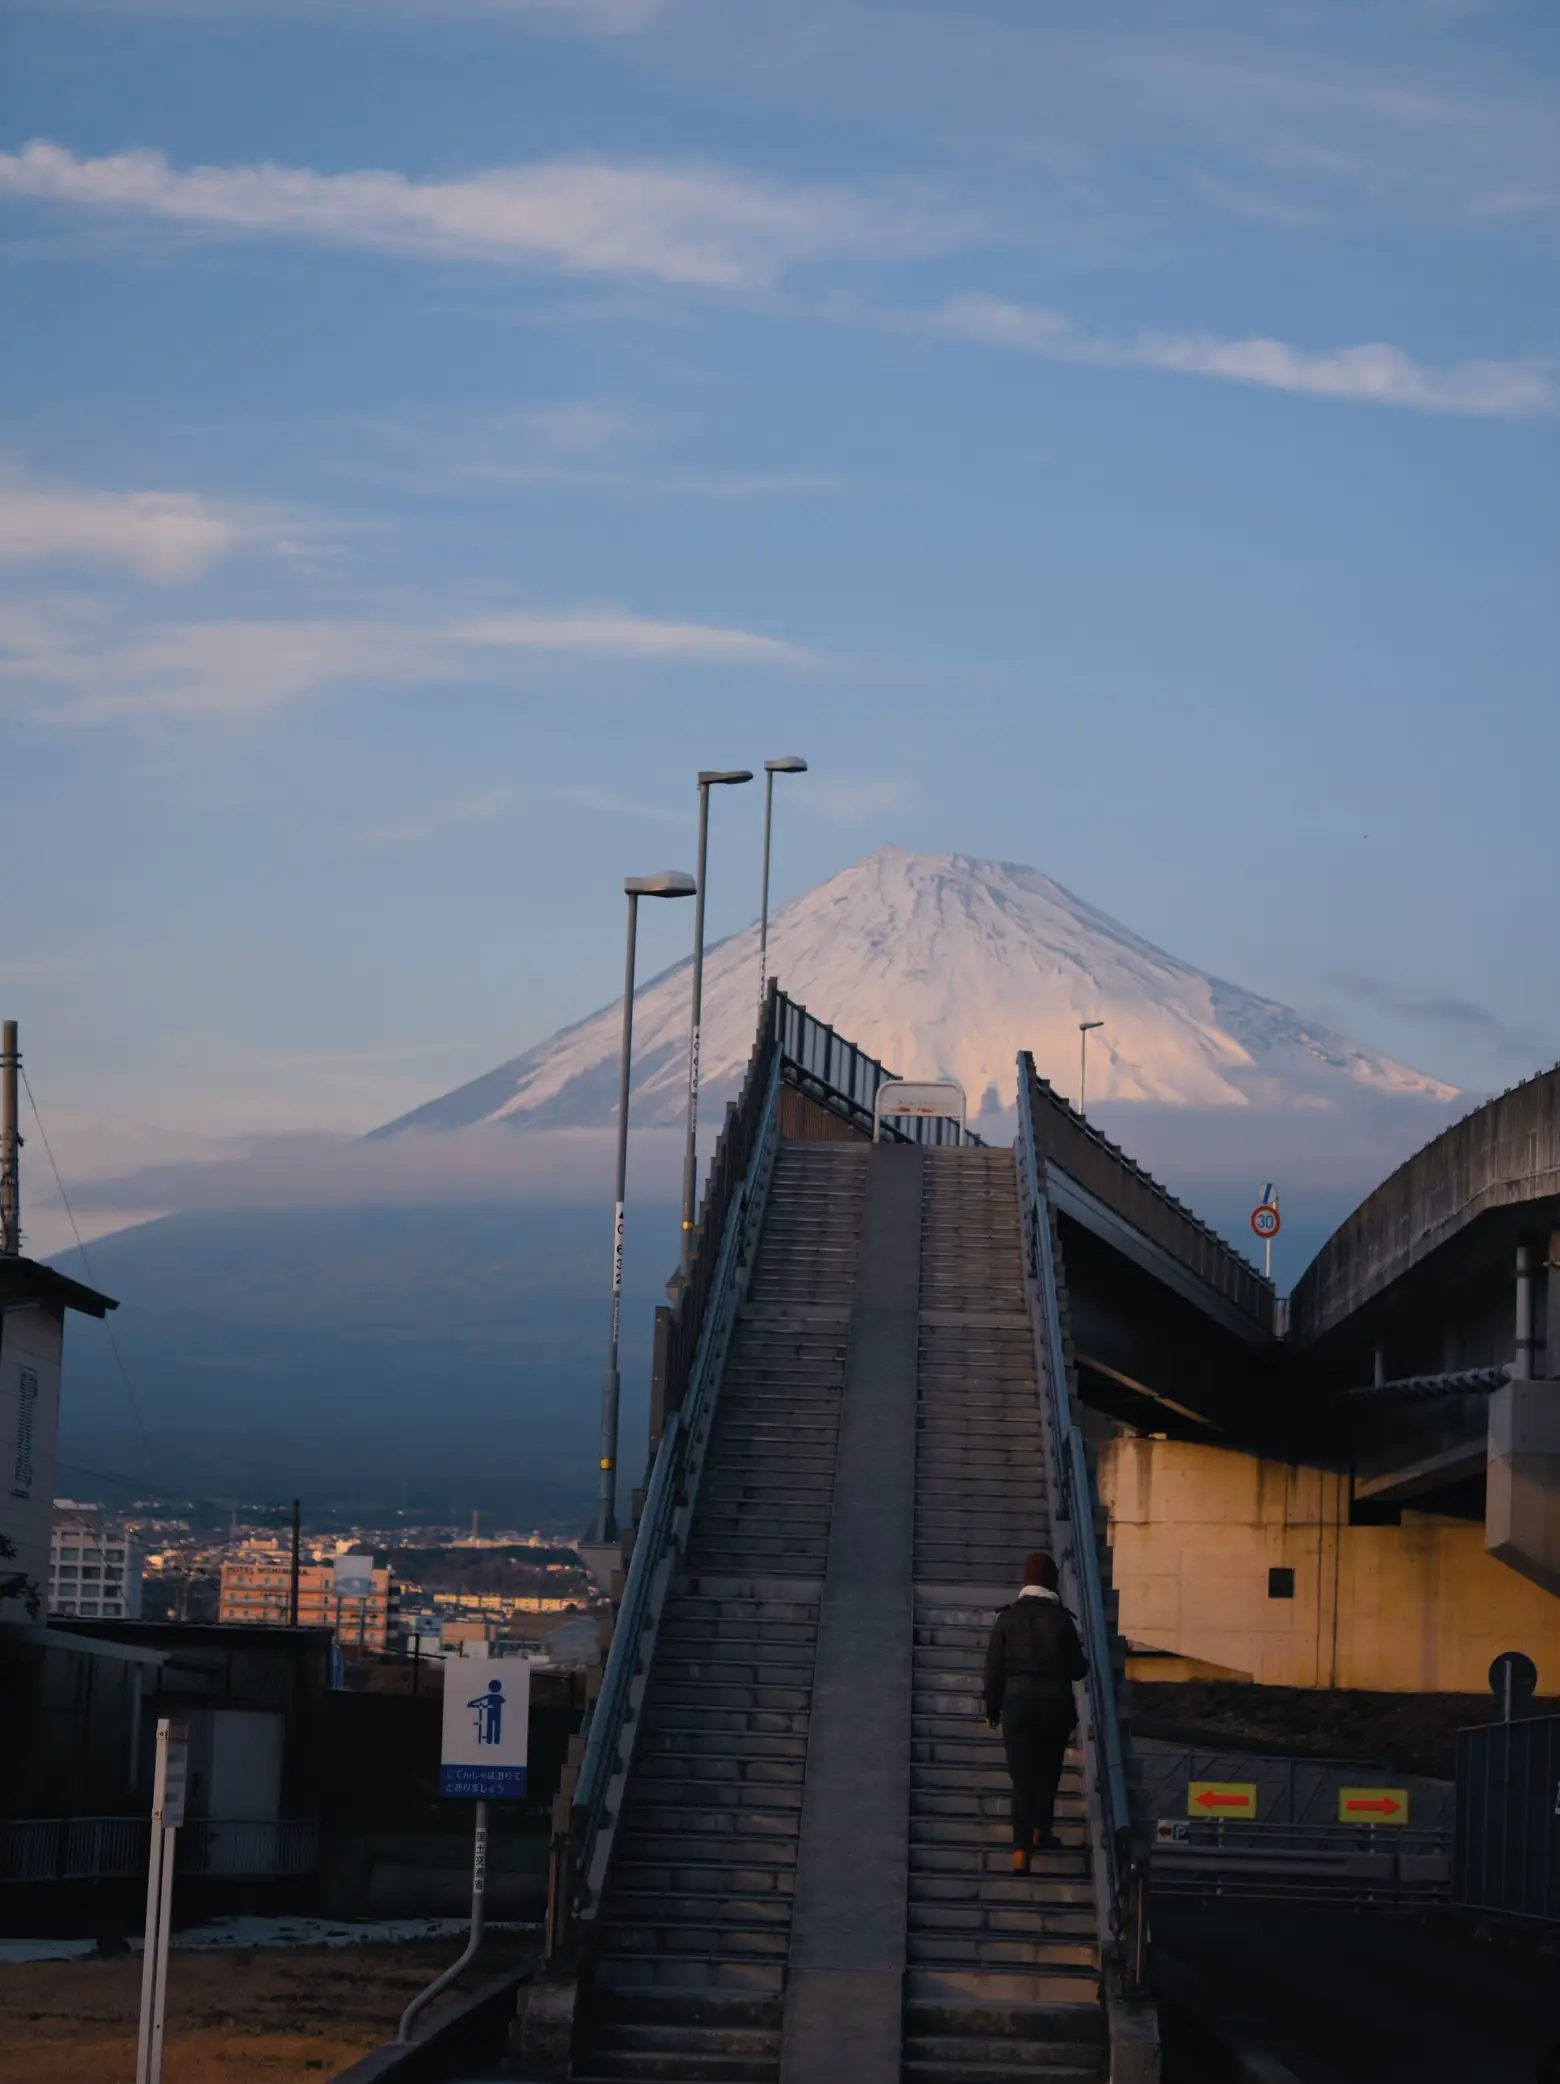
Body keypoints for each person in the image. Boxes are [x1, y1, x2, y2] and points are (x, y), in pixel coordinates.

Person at [983, 1549, 1088, 1873]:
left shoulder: (1008, 1618)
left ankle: (1020, 1848)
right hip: (1054, 1706)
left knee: (1022, 1777)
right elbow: (1078, 1670)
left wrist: (992, 1708)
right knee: (1048, 1771)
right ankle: (1042, 1830)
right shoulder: (1061, 1619)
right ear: (1052, 1582)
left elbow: (993, 1669)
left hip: (1017, 1705)